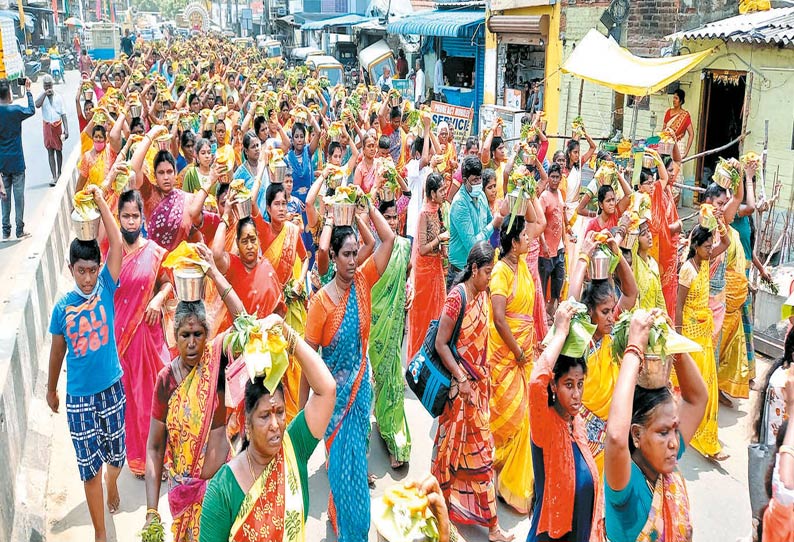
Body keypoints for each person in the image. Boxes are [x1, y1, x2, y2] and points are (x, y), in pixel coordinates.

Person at [198, 313, 337, 541]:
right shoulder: (222, 490)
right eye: (264, 416)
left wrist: (287, 334)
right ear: (247, 424)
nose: (275, 425)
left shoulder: (294, 448)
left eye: (280, 413)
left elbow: (327, 389)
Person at [305, 202, 395, 541]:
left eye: (356, 253)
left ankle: (343, 515)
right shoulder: (321, 304)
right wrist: (304, 415)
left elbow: (387, 241)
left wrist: (362, 208)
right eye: (347, 254)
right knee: (344, 467)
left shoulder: (362, 282)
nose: (353, 260)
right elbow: (308, 359)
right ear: (335, 258)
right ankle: (353, 531)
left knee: (354, 466)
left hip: (360, 395)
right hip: (333, 404)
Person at [142, 245, 245, 541]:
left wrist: (213, 271)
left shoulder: (219, 359)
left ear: (207, 334)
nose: (191, 343)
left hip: (220, 491)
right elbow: (155, 447)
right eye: (185, 335)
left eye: (198, 334)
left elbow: (245, 323)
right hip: (184, 493)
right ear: (175, 336)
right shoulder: (166, 381)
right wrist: (151, 511)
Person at [46, 184, 124, 542]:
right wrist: (51, 390)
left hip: (112, 388)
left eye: (93, 270)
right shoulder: (62, 308)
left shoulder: (107, 286)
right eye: (82, 271)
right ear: (71, 269)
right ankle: (99, 532)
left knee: (116, 457)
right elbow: (57, 352)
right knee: (89, 469)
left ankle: (113, 482)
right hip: (79, 399)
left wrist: (102, 202)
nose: (89, 278)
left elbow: (118, 244)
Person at [603, 309, 708, 542]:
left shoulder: (663, 468)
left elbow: (697, 399)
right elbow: (616, 438)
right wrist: (635, 347)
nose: (674, 442)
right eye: (663, 432)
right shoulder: (626, 488)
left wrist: (669, 342)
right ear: (637, 435)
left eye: (674, 429)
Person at [433, 241, 514, 541]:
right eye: (488, 271)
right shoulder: (458, 297)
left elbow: (484, 339)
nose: (491, 277)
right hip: (459, 392)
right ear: (475, 269)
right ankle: (478, 522)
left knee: (472, 454)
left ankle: (482, 521)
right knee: (451, 453)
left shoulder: (483, 293)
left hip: (478, 390)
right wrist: (462, 379)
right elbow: (442, 343)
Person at [527, 301, 604, 542]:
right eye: (568, 385)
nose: (576, 394)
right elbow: (535, 382)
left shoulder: (576, 421)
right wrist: (560, 332)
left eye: (580, 385)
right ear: (554, 385)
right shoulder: (546, 424)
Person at [114, 189, 172, 479]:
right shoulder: (111, 255)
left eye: (135, 215)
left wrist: (157, 300)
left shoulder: (153, 252)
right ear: (118, 218)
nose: (131, 221)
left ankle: (163, 457)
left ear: (142, 217)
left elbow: (166, 284)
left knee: (158, 396)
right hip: (123, 343)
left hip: (150, 338)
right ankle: (138, 460)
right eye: (126, 216)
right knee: (133, 399)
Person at [488, 216, 540, 514]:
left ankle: (511, 482)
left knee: (526, 413)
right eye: (524, 235)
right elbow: (498, 318)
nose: (529, 238)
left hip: (524, 351)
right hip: (505, 355)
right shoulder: (500, 272)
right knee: (510, 414)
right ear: (512, 241)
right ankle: (499, 475)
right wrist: (518, 351)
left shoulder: (520, 265)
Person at [255, 183, 309, 421]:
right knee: (276, 359)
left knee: (296, 354)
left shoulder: (292, 231)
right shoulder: (263, 232)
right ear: (267, 208)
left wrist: (299, 281)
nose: (281, 208)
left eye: (284, 203)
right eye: (276, 204)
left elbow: (305, 258)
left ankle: (296, 409)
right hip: (270, 307)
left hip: (293, 303)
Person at [676, 224, 730, 461]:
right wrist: (678, 337)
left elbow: (725, 244)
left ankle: (708, 439)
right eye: (706, 246)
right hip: (689, 332)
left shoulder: (706, 261)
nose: (710, 250)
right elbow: (679, 306)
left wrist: (720, 226)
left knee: (707, 382)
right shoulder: (687, 270)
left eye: (711, 246)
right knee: (691, 384)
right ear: (696, 247)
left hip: (704, 331)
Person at [370, 199, 413, 468]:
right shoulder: (372, 250)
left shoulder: (404, 247)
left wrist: (408, 292)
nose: (392, 222)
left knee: (394, 379)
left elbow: (407, 273)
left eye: (395, 217)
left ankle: (396, 439)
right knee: (385, 377)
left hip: (396, 319)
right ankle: (388, 429)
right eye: (387, 217)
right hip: (377, 325)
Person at [406, 173, 448, 360]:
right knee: (423, 318)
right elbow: (422, 249)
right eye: (441, 190)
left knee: (437, 314)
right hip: (424, 273)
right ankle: (418, 358)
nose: (445, 192)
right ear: (432, 194)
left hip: (436, 268)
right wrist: (440, 239)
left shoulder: (439, 209)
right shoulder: (424, 214)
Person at [448, 156, 505, 290]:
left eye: (479, 179)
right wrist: (493, 225)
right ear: (465, 180)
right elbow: (472, 244)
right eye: (474, 180)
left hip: (479, 270)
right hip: (461, 271)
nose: (478, 183)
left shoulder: (480, 196)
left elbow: (488, 221)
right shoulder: (459, 204)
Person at [0, 77, 34, 240]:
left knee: (4, 198)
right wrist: (28, 91)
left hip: (3, 164)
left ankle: (6, 230)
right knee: (19, 198)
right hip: (17, 162)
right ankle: (19, 230)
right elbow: (31, 110)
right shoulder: (15, 111)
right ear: (8, 94)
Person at [538, 163, 566, 319]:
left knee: (558, 283)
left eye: (557, 177)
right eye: (552, 177)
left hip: (559, 248)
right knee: (543, 285)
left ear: (561, 178)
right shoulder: (544, 197)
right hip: (546, 250)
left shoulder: (560, 194)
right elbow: (540, 224)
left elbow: (560, 218)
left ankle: (550, 311)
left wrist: (565, 242)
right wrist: (544, 245)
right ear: (548, 178)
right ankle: (541, 315)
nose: (555, 180)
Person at [35, 75, 69, 187]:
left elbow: (63, 114)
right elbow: (37, 105)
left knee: (58, 150)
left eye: (49, 85)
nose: (48, 88)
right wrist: (44, 94)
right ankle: (54, 175)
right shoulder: (42, 96)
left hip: (57, 125)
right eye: (46, 86)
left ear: (52, 85)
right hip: (47, 126)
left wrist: (66, 129)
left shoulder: (58, 97)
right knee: (50, 151)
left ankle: (59, 173)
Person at [632, 220, 667, 313]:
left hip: (654, 319)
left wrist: (665, 318)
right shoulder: (635, 263)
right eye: (643, 234)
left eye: (648, 231)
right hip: (640, 320)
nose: (648, 235)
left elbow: (659, 296)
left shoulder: (653, 264)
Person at [663, 88, 693, 158]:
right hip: (667, 145)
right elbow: (663, 129)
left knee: (677, 167)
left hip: (679, 146)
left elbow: (691, 134)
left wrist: (686, 152)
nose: (674, 100)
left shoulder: (685, 116)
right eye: (673, 98)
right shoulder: (668, 112)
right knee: (667, 167)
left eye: (676, 98)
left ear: (681, 101)